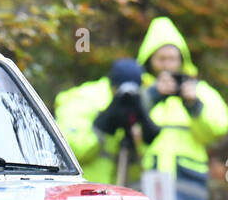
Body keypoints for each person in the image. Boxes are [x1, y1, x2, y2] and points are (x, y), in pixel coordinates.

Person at [136, 16, 228, 200]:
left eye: (172, 58)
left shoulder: (201, 91)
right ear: (149, 60)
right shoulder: (140, 93)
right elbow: (126, 123)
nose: (168, 65)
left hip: (189, 183)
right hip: (150, 180)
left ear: (182, 59)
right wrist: (152, 95)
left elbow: (219, 128)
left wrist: (194, 105)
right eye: (161, 59)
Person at [54, 58, 159, 187]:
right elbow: (69, 154)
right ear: (111, 85)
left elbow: (146, 167)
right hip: (84, 191)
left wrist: (140, 137)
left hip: (118, 194)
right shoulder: (83, 100)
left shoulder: (137, 104)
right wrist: (101, 127)